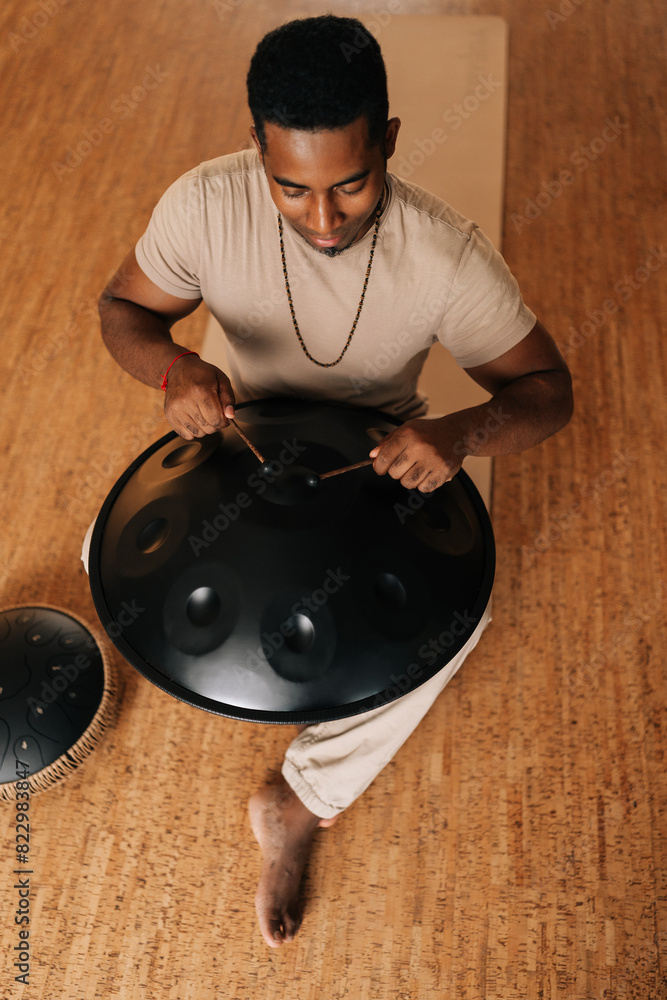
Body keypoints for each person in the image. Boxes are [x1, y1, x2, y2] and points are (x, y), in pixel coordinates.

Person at [98, 15, 573, 948]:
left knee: (453, 620)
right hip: (239, 441)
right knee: (101, 555)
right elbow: (122, 310)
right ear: (255, 150)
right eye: (291, 189)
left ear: (387, 142)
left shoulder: (443, 252)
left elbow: (547, 393)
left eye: (351, 186)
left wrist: (461, 430)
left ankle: (301, 801)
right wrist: (171, 369)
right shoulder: (202, 205)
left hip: (370, 458)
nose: (323, 220)